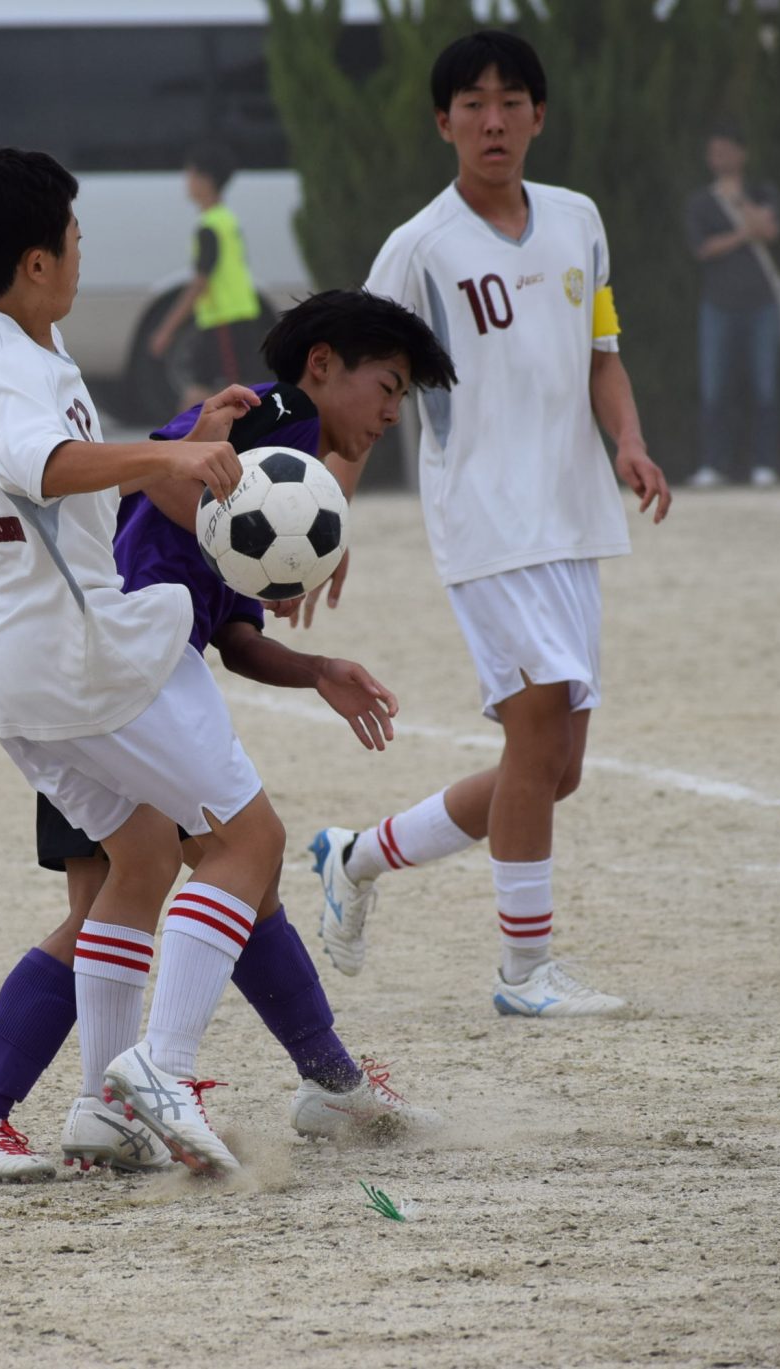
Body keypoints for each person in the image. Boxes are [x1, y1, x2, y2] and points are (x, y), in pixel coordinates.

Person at [0, 291, 458, 1180]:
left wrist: (316, 664)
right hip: (116, 676)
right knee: (230, 856)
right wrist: (263, 516)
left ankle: (110, 1110)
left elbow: (237, 633)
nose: (391, 412)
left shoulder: (284, 471)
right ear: (322, 365)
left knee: (151, 877)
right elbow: (178, 483)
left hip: (112, 668)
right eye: (389, 385)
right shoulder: (278, 423)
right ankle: (131, 1085)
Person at [0, 147, 280, 1179]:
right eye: (74, 238)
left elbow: (64, 475)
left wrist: (187, 435)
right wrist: (171, 456)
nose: (84, 253)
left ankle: (96, 1107)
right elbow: (38, 465)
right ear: (37, 262)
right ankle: (157, 1068)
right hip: (86, 658)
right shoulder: (17, 362)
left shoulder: (1, 340)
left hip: (24, 668)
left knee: (137, 858)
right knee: (250, 843)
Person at [313, 31, 671, 1018]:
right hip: (482, 524)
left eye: (510, 100)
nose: (492, 119)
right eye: (470, 103)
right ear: (441, 123)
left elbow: (601, 351)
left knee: (552, 769)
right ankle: (524, 973)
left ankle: (355, 855)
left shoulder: (577, 221)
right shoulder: (417, 248)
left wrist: (628, 443)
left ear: (538, 116)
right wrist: (324, 512)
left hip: (571, 517)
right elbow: (355, 396)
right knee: (537, 722)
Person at [684, 122, 780, 490]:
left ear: (741, 153)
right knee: (715, 388)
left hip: (762, 304)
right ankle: (714, 463)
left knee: (765, 386)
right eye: (714, 151)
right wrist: (745, 232)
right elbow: (703, 249)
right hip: (718, 306)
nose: (719, 157)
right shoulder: (700, 202)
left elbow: (771, 230)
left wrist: (738, 202)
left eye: (726, 150)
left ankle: (765, 463)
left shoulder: (762, 191)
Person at [148, 142, 267, 408]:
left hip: (226, 320)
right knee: (206, 390)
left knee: (231, 396)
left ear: (206, 180)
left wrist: (166, 329)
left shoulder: (210, 226)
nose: (186, 182)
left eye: (190, 174)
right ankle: (182, 444)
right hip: (228, 318)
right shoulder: (227, 219)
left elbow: (200, 282)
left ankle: (186, 445)